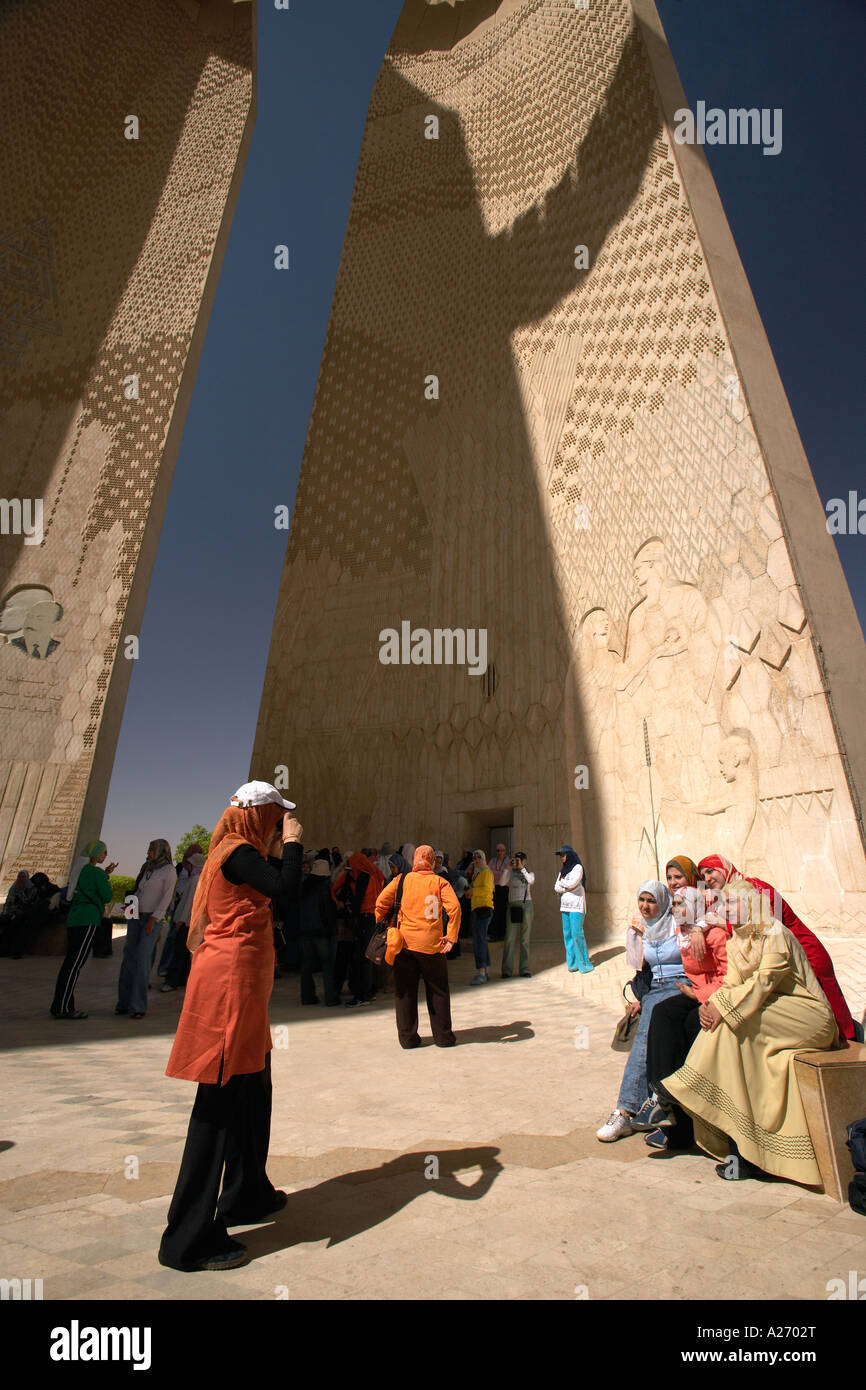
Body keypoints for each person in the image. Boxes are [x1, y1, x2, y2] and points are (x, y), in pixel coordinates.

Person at [158, 781, 303, 1272]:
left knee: (251, 1091)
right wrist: (296, 844)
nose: (277, 826)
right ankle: (187, 1238)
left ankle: (246, 1194)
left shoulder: (238, 850)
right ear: (257, 815)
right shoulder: (238, 852)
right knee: (218, 1105)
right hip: (229, 989)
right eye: (275, 817)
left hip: (246, 989)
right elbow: (286, 889)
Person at [664, 880, 839, 1185]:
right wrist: (713, 1005)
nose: (725, 909)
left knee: (731, 1024)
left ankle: (689, 1086)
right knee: (730, 1031)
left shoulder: (774, 932)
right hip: (767, 1012)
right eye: (723, 903)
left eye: (731, 903)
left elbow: (764, 982)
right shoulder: (737, 941)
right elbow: (732, 986)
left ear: (752, 904)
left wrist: (722, 1007)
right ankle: (743, 1150)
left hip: (806, 1015)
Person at [697, 853, 855, 1040]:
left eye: (710, 871)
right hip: (785, 958)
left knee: (835, 1018)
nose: (707, 879)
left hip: (805, 955)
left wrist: (724, 924)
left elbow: (769, 920)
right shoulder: (731, 894)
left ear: (724, 869)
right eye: (703, 877)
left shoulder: (754, 887)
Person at [596, 881, 689, 1142]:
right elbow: (641, 969)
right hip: (655, 989)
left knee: (645, 1037)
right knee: (644, 1035)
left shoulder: (678, 923)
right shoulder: (642, 928)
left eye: (652, 901)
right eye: (642, 900)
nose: (646, 906)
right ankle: (641, 1106)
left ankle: (625, 1110)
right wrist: (641, 998)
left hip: (679, 984)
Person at [643, 884, 729, 1150]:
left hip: (717, 997)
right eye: (675, 904)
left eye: (682, 904)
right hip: (696, 993)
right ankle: (662, 1094)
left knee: (691, 1027)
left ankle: (688, 1123)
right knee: (661, 1014)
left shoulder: (713, 935)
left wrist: (701, 996)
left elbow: (728, 979)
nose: (676, 909)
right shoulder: (684, 932)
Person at [374, 845, 460, 1047]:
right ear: (431, 861)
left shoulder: (401, 880)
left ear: (415, 859)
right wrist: (451, 936)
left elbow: (380, 903)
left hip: (404, 945)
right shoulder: (439, 882)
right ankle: (443, 1037)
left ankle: (408, 1038)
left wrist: (385, 926)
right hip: (432, 945)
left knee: (405, 991)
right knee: (438, 991)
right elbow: (455, 908)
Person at [50, 842, 116, 1018]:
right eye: (104, 852)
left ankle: (62, 1004)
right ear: (95, 854)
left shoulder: (81, 871)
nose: (105, 856)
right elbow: (107, 895)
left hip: (75, 919)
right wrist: (104, 878)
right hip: (88, 919)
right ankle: (63, 1007)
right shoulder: (94, 873)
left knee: (70, 963)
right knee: (74, 965)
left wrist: (105, 874)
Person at [115, 839, 177, 1019]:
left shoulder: (169, 871)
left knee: (142, 960)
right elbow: (139, 890)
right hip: (136, 916)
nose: (149, 852)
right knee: (129, 958)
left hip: (152, 918)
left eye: (152, 849)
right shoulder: (148, 867)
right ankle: (123, 1003)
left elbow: (166, 898)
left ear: (161, 851)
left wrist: (154, 918)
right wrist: (130, 905)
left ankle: (138, 1006)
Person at [333, 850, 384, 1006]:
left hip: (366, 918)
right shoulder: (374, 875)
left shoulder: (363, 877)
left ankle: (362, 995)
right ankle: (370, 991)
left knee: (362, 957)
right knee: (371, 956)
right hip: (375, 918)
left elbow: (357, 902)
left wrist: (346, 906)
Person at [160, 852, 205, 993]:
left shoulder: (195, 879)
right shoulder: (200, 879)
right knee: (184, 954)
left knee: (178, 952)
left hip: (186, 922)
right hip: (191, 922)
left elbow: (189, 904)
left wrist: (181, 920)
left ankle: (172, 981)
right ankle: (182, 979)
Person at [297, 853, 339, 1006]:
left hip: (305, 930)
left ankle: (307, 997)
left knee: (307, 964)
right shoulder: (324, 887)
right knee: (327, 965)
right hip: (321, 932)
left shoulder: (304, 886)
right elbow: (327, 912)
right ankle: (331, 997)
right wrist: (332, 929)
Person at [554, 845, 592, 973]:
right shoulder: (563, 871)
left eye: (563, 855)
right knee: (568, 935)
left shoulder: (578, 868)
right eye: (561, 856)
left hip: (577, 906)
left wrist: (563, 884)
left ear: (570, 855)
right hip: (564, 906)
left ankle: (584, 964)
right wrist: (566, 886)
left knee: (577, 934)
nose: (562, 858)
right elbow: (556, 887)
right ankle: (572, 964)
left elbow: (572, 883)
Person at [500, 852, 535, 978]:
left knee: (525, 939)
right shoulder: (510, 873)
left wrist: (522, 868)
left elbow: (531, 881)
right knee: (509, 938)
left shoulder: (529, 873)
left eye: (519, 860)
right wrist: (507, 868)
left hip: (526, 906)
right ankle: (506, 970)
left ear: (524, 861)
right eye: (515, 860)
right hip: (513, 906)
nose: (517, 862)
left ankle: (524, 969)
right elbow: (502, 883)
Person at [469, 849, 494, 985]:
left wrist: (473, 891)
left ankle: (482, 972)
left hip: (484, 908)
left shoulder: (486, 872)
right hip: (477, 908)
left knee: (479, 941)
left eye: (479, 857)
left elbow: (487, 889)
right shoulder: (477, 873)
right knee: (480, 939)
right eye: (474, 858)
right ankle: (486, 970)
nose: (476, 860)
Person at [488, 842, 510, 942]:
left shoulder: (508, 861)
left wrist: (496, 874)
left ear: (505, 851)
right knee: (494, 911)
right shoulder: (493, 861)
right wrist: (500, 873)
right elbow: (489, 872)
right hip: (493, 888)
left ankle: (502, 934)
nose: (500, 852)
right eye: (498, 850)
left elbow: (507, 873)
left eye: (502, 850)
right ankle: (493, 934)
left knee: (503, 911)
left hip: (504, 888)